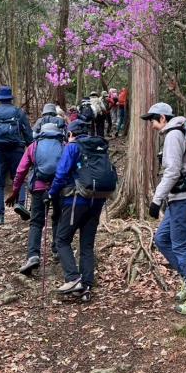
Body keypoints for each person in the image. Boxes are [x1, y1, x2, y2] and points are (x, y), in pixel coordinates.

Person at [145, 102, 186, 315]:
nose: (152, 125)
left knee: (180, 246)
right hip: (178, 198)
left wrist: (156, 200)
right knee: (162, 239)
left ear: (163, 118)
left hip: (183, 198)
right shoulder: (177, 132)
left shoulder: (173, 135)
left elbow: (172, 171)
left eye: (153, 120)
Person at [47, 120, 106, 297]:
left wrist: (51, 193)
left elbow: (61, 173)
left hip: (76, 200)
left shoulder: (72, 148)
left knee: (62, 239)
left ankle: (73, 278)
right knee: (87, 245)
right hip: (97, 200)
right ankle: (86, 288)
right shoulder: (98, 147)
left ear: (70, 134)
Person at [6, 122, 64, 274]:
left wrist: (15, 192)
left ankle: (33, 256)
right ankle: (57, 250)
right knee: (58, 217)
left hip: (39, 188)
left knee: (36, 223)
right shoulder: (63, 145)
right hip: (58, 188)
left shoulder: (34, 146)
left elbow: (21, 171)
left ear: (41, 132)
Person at [0, 86, 33, 225]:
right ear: (10, 99)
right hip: (17, 150)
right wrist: (33, 153)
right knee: (19, 178)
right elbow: (28, 134)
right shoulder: (18, 112)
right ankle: (20, 204)